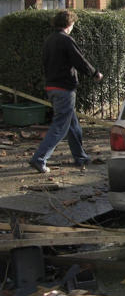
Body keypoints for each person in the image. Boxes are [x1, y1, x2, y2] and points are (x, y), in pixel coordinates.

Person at [29, 10, 103, 174]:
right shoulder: (66, 40)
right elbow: (79, 61)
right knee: (61, 126)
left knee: (73, 125)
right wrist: (95, 73)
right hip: (64, 88)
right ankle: (39, 158)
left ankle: (80, 157)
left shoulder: (49, 40)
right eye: (73, 24)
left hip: (52, 87)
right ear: (69, 24)